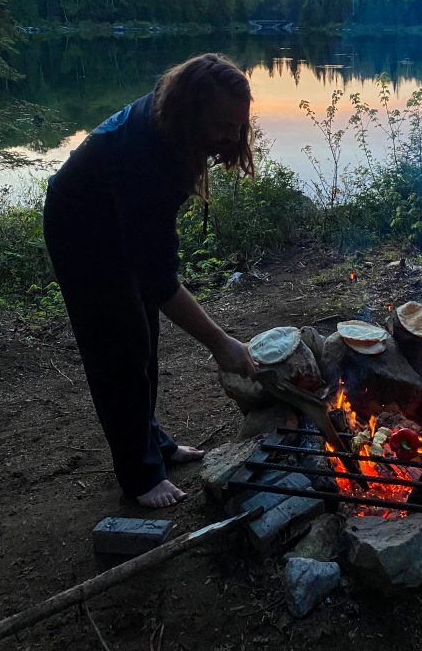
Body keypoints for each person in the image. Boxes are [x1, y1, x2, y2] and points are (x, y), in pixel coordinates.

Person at [44, 53, 258, 508]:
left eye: (239, 125)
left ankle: (152, 442)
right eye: (224, 125)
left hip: (117, 218)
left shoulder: (176, 122)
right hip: (80, 230)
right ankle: (139, 476)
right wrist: (221, 343)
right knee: (118, 350)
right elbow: (159, 281)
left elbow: (152, 269)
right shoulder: (144, 157)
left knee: (144, 339)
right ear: (192, 110)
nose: (233, 136)